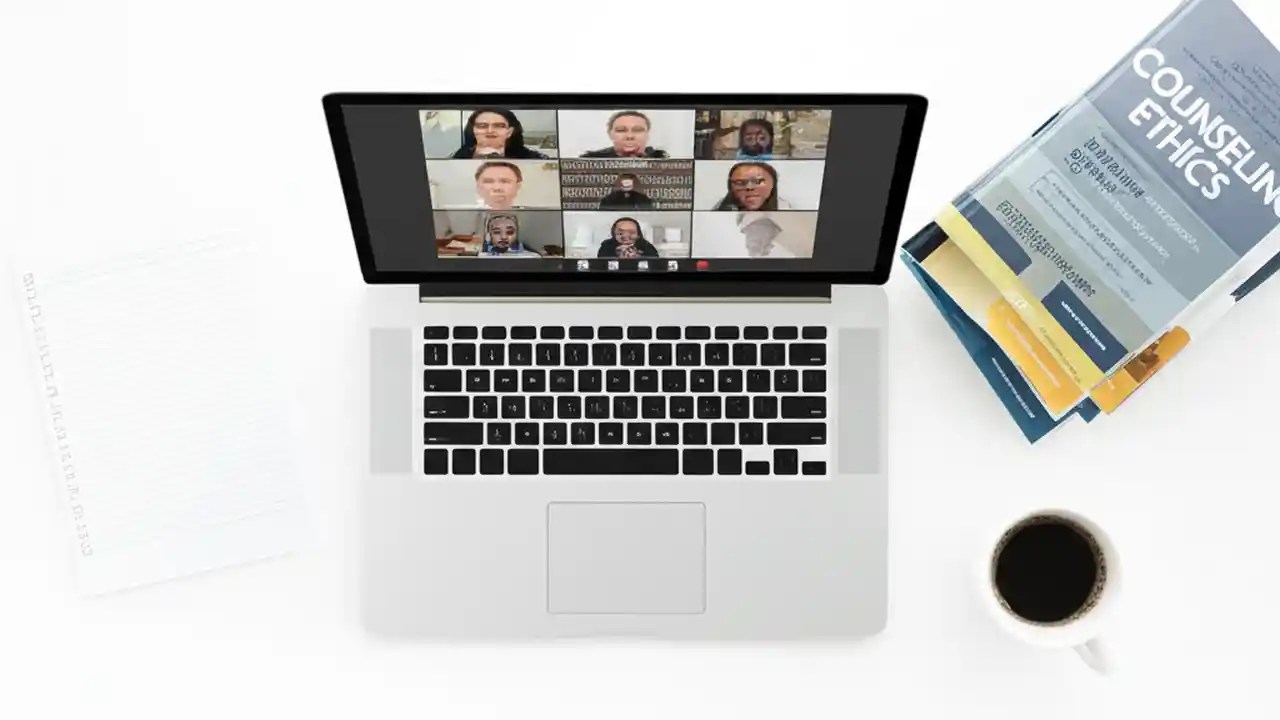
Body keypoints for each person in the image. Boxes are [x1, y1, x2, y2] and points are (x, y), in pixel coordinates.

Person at [451, 109, 548, 159]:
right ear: (473, 130)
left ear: (509, 132)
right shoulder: (459, 156)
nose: (490, 131)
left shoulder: (531, 157)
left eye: (498, 126)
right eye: (482, 126)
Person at [581, 111, 669, 158]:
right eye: (621, 130)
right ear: (610, 134)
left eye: (637, 130)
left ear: (647, 134)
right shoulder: (589, 162)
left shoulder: (663, 161)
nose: (629, 136)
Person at [712, 161, 792, 211]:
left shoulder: (786, 210)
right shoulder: (721, 208)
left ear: (773, 184)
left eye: (758, 181)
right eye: (740, 183)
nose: (749, 188)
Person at [596, 217, 660, 258]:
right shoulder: (607, 245)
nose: (626, 236)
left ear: (638, 235)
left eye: (631, 232)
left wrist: (638, 257)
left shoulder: (646, 246)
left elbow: (656, 263)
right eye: (621, 233)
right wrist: (617, 256)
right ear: (614, 234)